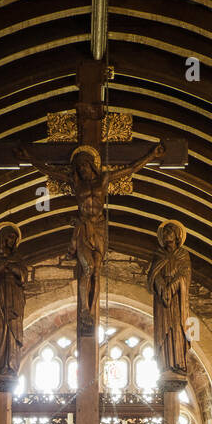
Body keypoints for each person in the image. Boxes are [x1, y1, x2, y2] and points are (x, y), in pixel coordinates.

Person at [17, 140, 165, 333]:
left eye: (84, 166)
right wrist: (29, 158)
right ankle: (86, 311)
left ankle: (93, 309)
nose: (82, 170)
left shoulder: (103, 179)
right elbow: (50, 172)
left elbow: (130, 169)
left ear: (91, 165)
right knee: (87, 269)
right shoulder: (76, 182)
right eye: (79, 167)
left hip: (100, 227)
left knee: (97, 271)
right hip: (84, 227)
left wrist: (152, 156)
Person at [0, 221, 29, 377]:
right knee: (0, 331)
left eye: (15, 238)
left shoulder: (17, 258)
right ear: (2, 238)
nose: (13, 241)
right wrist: (2, 267)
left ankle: (11, 365)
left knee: (13, 331)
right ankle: (0, 364)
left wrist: (12, 267)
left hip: (14, 300)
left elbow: (23, 277)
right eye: (10, 237)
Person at [147, 220, 191, 376]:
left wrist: (171, 288)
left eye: (169, 232)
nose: (166, 235)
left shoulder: (183, 255)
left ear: (177, 235)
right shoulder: (158, 254)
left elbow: (185, 275)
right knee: (163, 329)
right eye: (164, 232)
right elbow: (153, 274)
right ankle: (165, 362)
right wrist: (162, 287)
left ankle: (178, 361)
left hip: (177, 299)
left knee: (177, 328)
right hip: (162, 300)